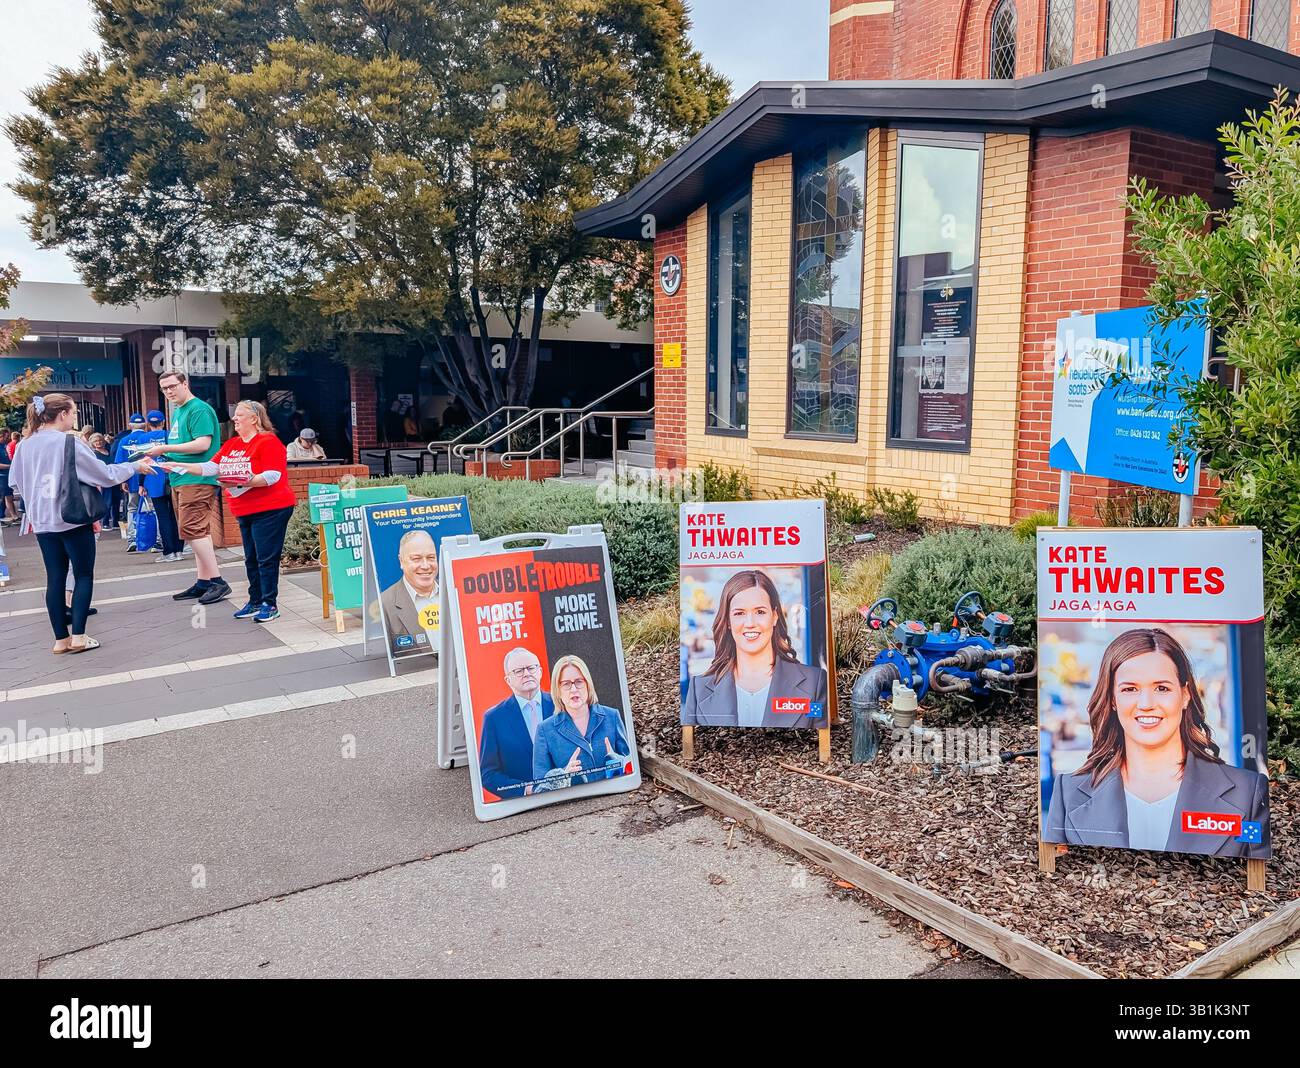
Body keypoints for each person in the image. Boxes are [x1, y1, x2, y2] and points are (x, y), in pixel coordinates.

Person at [1043, 627, 1269, 857]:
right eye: (1130, 689)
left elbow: (1254, 880)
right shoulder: (1068, 795)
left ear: (1185, 695)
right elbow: (1055, 881)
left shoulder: (1246, 793)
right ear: (1112, 699)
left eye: (1162, 688)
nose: (1146, 703)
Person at [8, 393, 151, 653]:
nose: (74, 418)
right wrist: (135, 467)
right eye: (73, 413)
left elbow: (15, 482)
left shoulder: (24, 445)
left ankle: (60, 640)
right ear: (62, 414)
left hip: (41, 520)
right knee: (83, 574)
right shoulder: (69, 443)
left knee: (55, 578)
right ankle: (80, 636)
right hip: (72, 515)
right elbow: (104, 474)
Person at [159, 400, 294, 623]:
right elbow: (210, 468)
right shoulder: (232, 444)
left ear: (254, 418)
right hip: (244, 509)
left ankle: (270, 604)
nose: (235, 419)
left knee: (265, 559)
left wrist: (242, 482)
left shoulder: (268, 441)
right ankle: (255, 600)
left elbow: (273, 475)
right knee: (251, 558)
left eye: (239, 415)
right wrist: (176, 465)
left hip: (271, 508)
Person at [680, 569, 828, 728]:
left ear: (775, 616)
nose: (750, 623)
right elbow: (691, 748)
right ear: (728, 621)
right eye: (739, 613)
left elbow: (817, 743)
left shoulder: (814, 683)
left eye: (760, 612)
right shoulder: (699, 689)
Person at [140, 371, 229, 604]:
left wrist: (164, 450)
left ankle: (218, 581)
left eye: (172, 386)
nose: (169, 391)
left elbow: (203, 444)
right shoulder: (180, 410)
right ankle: (204, 581)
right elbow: (185, 444)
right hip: (182, 478)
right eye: (164, 388)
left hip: (197, 479)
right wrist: (166, 454)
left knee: (192, 529)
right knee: (199, 531)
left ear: (185, 384)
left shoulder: (198, 409)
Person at [532, 655, 630, 790]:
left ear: (588, 684)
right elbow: (538, 786)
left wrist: (618, 762)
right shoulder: (544, 730)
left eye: (579, 681)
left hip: (615, 799)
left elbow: (631, 764)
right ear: (558, 690)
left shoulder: (611, 716)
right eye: (566, 684)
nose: (573, 689)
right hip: (575, 807)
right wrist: (564, 776)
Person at [478, 648, 555, 800]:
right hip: (524, 804)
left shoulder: (561, 705)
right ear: (508, 680)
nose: (527, 673)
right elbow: (488, 774)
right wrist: (526, 790)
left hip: (569, 795)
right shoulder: (494, 718)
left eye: (531, 668)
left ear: (540, 671)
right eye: (518, 671)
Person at [378, 529, 439, 653]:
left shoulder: (457, 592)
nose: (426, 565)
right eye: (416, 559)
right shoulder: (384, 604)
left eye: (431, 557)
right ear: (401, 561)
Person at [0, 430, 17, 525]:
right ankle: (13, 516)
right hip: (2, 476)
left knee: (6, 496)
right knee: (7, 496)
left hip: (6, 475)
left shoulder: (3, 446)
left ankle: (3, 516)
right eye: (6, 437)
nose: (8, 439)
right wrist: (10, 466)